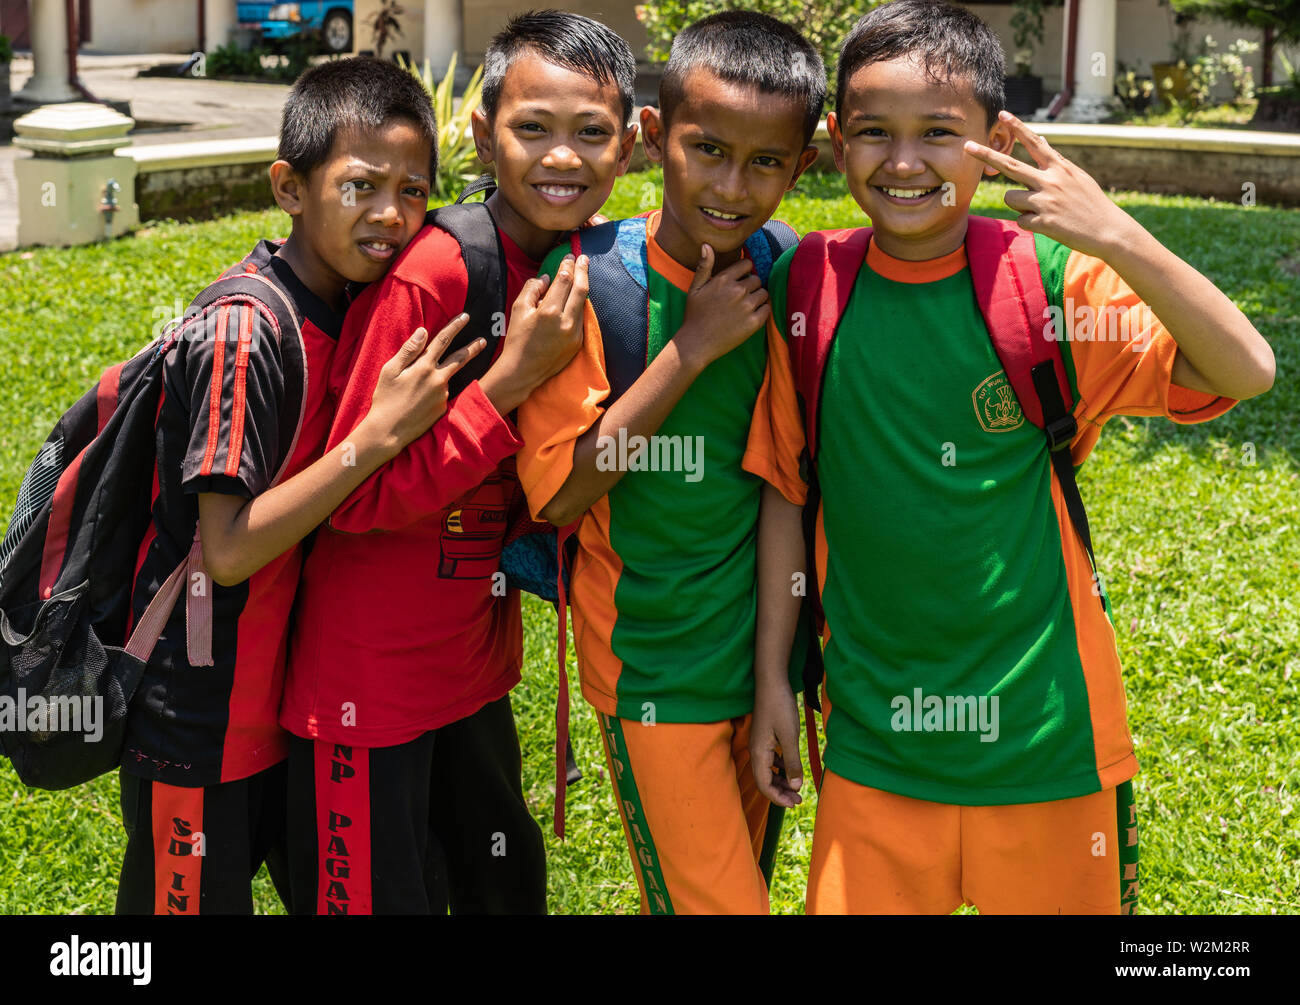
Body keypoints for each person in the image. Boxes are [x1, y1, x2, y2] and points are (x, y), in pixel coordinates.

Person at [750, 0, 1274, 915]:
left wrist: (1115, 230)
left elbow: (1248, 367)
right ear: (835, 140)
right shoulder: (810, 281)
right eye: (874, 132)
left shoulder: (1048, 282)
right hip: (875, 747)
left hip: (1051, 745)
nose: (903, 162)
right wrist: (773, 690)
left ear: (993, 139)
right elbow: (788, 495)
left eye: (938, 134)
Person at [280, 10, 640, 914]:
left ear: (631, 145)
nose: (563, 158)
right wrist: (508, 383)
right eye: (533, 129)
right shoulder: (436, 271)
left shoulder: (577, 259)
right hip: (368, 684)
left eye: (591, 132)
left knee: (499, 884)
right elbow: (351, 500)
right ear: (482, 133)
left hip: (471, 669)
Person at [116, 57, 482, 914]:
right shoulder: (245, 331)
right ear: (290, 186)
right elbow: (230, 548)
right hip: (199, 727)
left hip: (285, 718)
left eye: (413, 190)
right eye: (360, 186)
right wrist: (376, 436)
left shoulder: (347, 306)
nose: (390, 214)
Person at [516, 11, 823, 915]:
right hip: (649, 669)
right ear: (655, 138)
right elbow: (563, 490)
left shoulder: (791, 271)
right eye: (707, 149)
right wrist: (688, 351)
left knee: (737, 891)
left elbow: (782, 488)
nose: (733, 185)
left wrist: (776, 678)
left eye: (766, 161)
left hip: (761, 663)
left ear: (803, 166)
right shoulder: (589, 279)